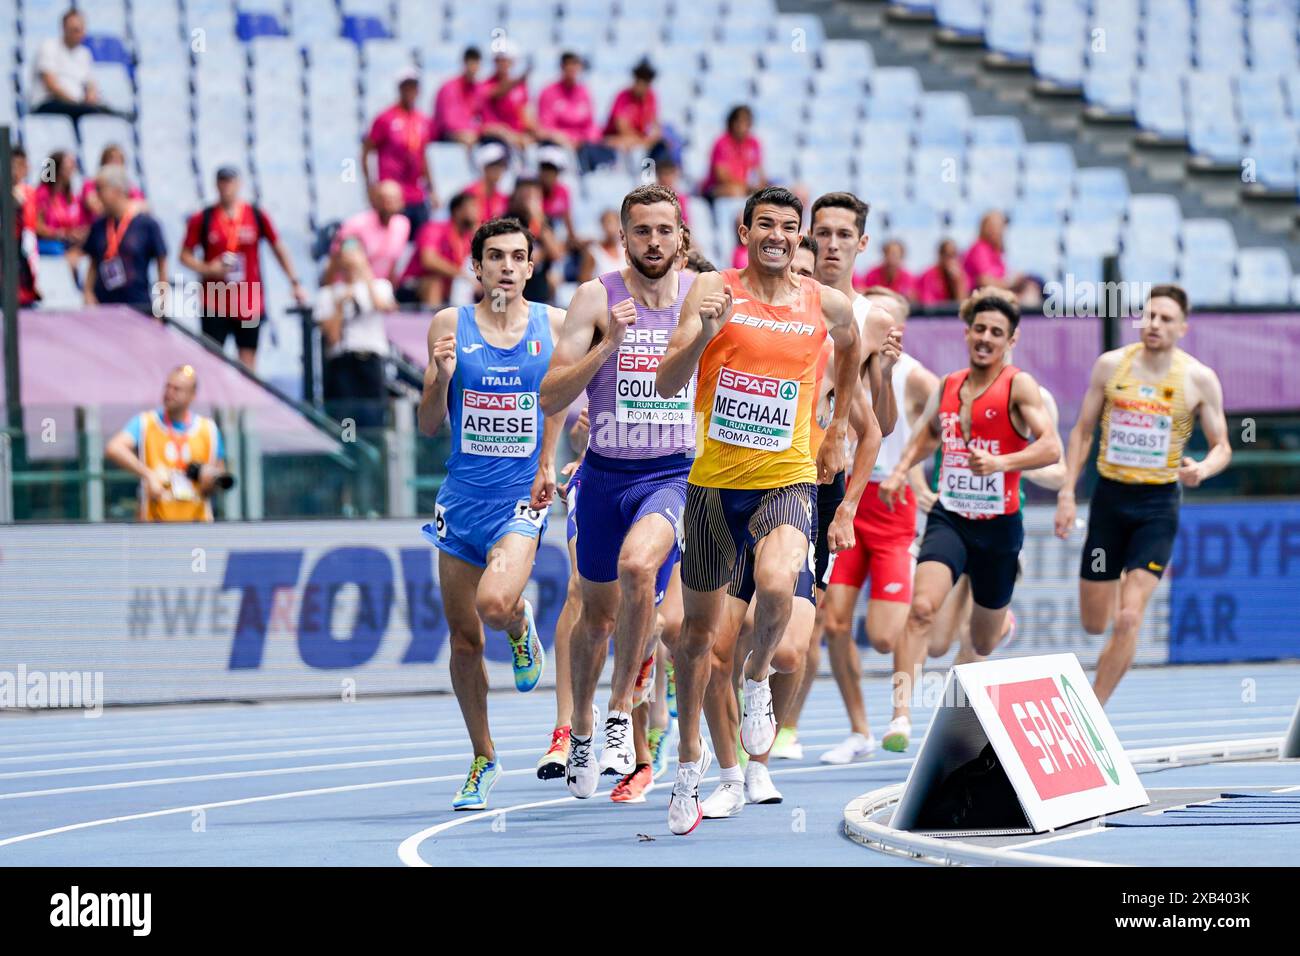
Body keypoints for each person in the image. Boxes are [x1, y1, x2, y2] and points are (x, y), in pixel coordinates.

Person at [655, 186, 872, 835]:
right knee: (696, 641)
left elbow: (851, 348)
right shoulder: (711, 289)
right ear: (744, 230)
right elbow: (667, 381)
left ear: (797, 236)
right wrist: (704, 335)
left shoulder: (825, 303)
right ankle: (692, 768)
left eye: (788, 226)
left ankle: (758, 681)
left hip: (787, 480)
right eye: (766, 224)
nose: (778, 235)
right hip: (712, 489)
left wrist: (837, 428)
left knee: (778, 584)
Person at [540, 184, 695, 804]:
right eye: (642, 231)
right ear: (624, 237)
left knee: (639, 567)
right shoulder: (594, 297)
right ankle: (581, 726)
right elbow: (550, 394)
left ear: (681, 236)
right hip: (606, 475)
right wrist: (608, 344)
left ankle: (619, 709)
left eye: (664, 230)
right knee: (595, 618)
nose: (654, 242)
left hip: (674, 473)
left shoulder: (701, 296)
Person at [417, 217, 566, 811]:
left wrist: (550, 460)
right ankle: (483, 758)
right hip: (460, 503)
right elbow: (429, 424)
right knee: (464, 641)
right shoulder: (448, 325)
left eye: (517, 256)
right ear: (476, 267)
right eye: (495, 256)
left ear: (531, 266)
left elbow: (565, 395)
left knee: (495, 603)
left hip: (518, 502)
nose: (507, 266)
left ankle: (520, 623)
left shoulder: (555, 325)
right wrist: (440, 378)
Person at [877, 289, 1060, 752]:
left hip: (999, 527)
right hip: (951, 517)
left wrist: (1001, 463)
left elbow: (1051, 447)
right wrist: (900, 471)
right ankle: (901, 716)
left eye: (996, 332)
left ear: (1010, 341)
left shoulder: (1019, 387)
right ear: (967, 333)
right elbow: (927, 436)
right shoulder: (950, 385)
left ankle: (999, 623)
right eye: (979, 329)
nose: (985, 338)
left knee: (981, 640)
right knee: (921, 609)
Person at [1054, 284, 1231, 705]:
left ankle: (1093, 709)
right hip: (1110, 501)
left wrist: (1202, 468)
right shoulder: (1111, 366)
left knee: (1129, 616)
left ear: (1183, 328)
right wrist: (1067, 492)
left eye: (1166, 319)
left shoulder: (1198, 378)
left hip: (1157, 506)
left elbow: (1223, 445)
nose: (1154, 324)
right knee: (1095, 622)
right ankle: (1120, 586)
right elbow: (1082, 431)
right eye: (1149, 315)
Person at [813, 286, 937, 764]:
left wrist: (909, 469)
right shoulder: (835, 361)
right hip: (846, 498)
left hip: (889, 504)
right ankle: (860, 728)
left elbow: (945, 421)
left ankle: (901, 713)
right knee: (834, 621)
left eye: (888, 322)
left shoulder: (913, 375)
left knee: (885, 636)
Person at [181, 167, 307, 368]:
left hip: (248, 300)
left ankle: (245, 391)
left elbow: (278, 248)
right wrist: (208, 269)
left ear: (239, 183)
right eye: (222, 181)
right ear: (216, 185)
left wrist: (295, 282)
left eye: (230, 181)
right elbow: (184, 255)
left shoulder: (255, 215)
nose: (226, 186)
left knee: (248, 362)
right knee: (212, 360)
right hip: (215, 300)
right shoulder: (204, 217)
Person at [105, 365, 229, 523]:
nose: (169, 393)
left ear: (192, 395)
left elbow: (220, 474)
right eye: (167, 387)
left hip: (197, 523)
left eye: (177, 389)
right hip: (155, 522)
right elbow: (114, 448)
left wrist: (209, 480)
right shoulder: (146, 422)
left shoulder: (208, 429)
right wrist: (148, 474)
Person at [315, 239, 395, 431]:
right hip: (342, 364)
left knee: (373, 422)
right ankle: (348, 448)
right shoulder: (328, 293)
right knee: (346, 425)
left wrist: (364, 271)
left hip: (370, 361)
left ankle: (372, 449)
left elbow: (384, 306)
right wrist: (340, 306)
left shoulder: (380, 286)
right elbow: (331, 337)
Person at [83, 166, 167, 314]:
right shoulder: (98, 225)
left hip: (138, 307)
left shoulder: (147, 224)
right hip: (104, 308)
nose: (97, 196)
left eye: (100, 189)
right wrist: (88, 293)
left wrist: (161, 306)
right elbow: (93, 264)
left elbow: (162, 267)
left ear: (117, 190)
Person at [363, 69, 435, 235]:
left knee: (423, 240)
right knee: (394, 240)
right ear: (400, 88)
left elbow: (423, 156)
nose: (410, 91)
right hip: (392, 196)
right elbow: (366, 152)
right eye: (406, 86)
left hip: (417, 195)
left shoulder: (422, 120)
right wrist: (371, 187)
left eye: (413, 86)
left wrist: (431, 189)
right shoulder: (385, 118)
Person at [30, 9, 123, 122]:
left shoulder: (84, 53)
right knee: (90, 111)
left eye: (81, 29)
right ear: (64, 29)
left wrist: (90, 97)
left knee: (110, 114)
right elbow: (51, 84)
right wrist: (77, 102)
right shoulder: (49, 46)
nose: (79, 34)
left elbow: (91, 84)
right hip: (49, 103)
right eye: (75, 30)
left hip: (77, 106)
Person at [536, 52, 614, 171]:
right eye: (569, 66)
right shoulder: (548, 92)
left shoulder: (584, 92)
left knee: (607, 153)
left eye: (575, 66)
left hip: (582, 144)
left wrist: (586, 139)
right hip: (558, 143)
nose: (572, 70)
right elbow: (546, 126)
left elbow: (589, 124)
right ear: (562, 67)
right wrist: (565, 139)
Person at [400, 190, 479, 306]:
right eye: (472, 206)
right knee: (434, 281)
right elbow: (429, 261)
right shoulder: (434, 228)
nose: (477, 212)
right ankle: (434, 317)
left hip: (447, 289)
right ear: (457, 211)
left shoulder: (467, 239)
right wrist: (462, 275)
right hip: (413, 285)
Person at [328, 180, 410, 285]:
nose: (388, 204)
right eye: (383, 198)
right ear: (374, 200)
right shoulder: (356, 224)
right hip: (349, 285)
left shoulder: (402, 225)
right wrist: (372, 290)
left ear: (402, 202)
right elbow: (346, 257)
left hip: (381, 286)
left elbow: (393, 262)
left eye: (393, 199)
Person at [506, 178, 563, 305]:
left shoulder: (544, 221)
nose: (530, 200)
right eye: (526, 195)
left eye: (535, 196)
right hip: (515, 291)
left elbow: (556, 254)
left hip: (541, 291)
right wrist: (543, 253)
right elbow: (519, 257)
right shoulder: (507, 221)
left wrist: (537, 219)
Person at [32, 150, 87, 268]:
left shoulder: (69, 196)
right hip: (49, 244)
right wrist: (60, 234)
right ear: (57, 169)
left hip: (67, 242)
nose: (72, 169)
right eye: (69, 166)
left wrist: (78, 233)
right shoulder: (42, 193)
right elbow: (37, 226)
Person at [478, 40, 535, 151]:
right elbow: (498, 92)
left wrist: (531, 134)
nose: (502, 64)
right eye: (499, 60)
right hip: (494, 138)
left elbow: (526, 114)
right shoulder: (485, 84)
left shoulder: (521, 87)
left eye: (505, 60)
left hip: (517, 137)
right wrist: (519, 79)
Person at [701, 105, 765, 199]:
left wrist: (760, 186)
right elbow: (721, 176)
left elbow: (760, 172)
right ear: (731, 123)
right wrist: (746, 186)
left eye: (746, 122)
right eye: (739, 121)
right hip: (718, 188)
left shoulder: (753, 143)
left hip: (745, 188)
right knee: (735, 191)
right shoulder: (721, 142)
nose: (742, 126)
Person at [603, 59, 661, 152]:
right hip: (618, 137)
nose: (642, 87)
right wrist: (642, 140)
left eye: (646, 83)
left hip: (639, 139)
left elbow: (655, 124)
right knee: (626, 143)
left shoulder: (651, 97)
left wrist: (652, 136)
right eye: (640, 81)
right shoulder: (623, 96)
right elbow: (621, 126)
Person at [432, 47, 483, 146]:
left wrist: (475, 133)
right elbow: (447, 122)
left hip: (472, 136)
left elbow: (482, 118)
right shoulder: (449, 88)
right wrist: (463, 134)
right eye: (471, 63)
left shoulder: (479, 89)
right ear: (464, 63)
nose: (473, 68)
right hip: (447, 137)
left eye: (476, 64)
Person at [80, 144, 143, 221]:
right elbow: (95, 206)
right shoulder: (91, 183)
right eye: (112, 159)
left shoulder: (128, 185)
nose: (116, 163)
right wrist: (122, 206)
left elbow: (143, 206)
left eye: (120, 160)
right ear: (103, 162)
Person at [964, 211, 1017, 291]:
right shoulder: (979, 248)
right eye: (993, 226)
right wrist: (1011, 284)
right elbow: (984, 281)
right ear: (984, 228)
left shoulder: (995, 251)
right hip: (979, 295)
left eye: (1000, 226)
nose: (997, 230)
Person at [915, 238, 969, 306]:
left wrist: (958, 283)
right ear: (940, 255)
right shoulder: (929, 275)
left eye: (954, 255)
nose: (951, 260)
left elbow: (963, 305)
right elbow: (929, 306)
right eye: (948, 255)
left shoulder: (961, 276)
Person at [466, 142, 511, 222]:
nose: (499, 170)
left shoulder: (503, 198)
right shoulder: (469, 194)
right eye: (494, 165)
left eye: (502, 165)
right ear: (484, 167)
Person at [578, 209, 624, 282]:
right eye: (608, 223)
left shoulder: (627, 248)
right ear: (602, 225)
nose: (611, 227)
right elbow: (583, 281)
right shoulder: (593, 252)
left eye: (614, 223)